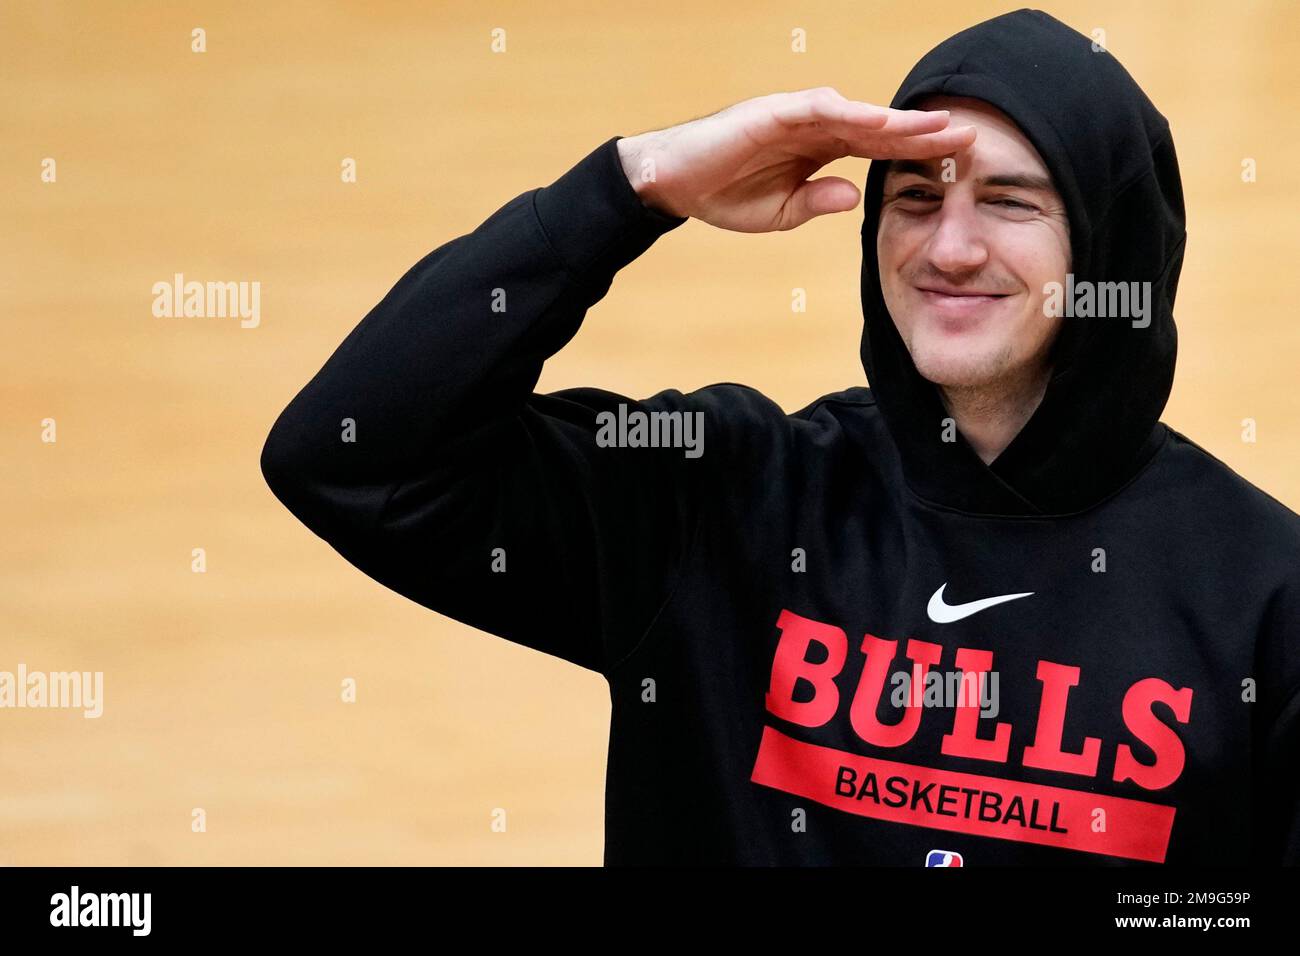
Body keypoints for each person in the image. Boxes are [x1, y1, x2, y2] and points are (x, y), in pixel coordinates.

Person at [260, 9, 1299, 865]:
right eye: (915, 196)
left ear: (1107, 251)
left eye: (1009, 203)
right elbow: (353, 457)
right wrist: (634, 185)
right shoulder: (725, 494)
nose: (948, 246)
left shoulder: (1264, 594)